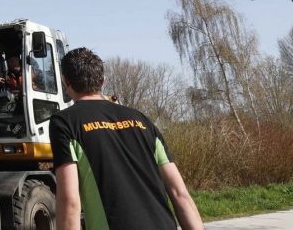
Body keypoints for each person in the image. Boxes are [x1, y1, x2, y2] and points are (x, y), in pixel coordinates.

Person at [50, 47, 203, 230]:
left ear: (66, 81)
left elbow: (69, 201)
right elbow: (180, 194)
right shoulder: (141, 119)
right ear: (102, 80)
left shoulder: (65, 122)